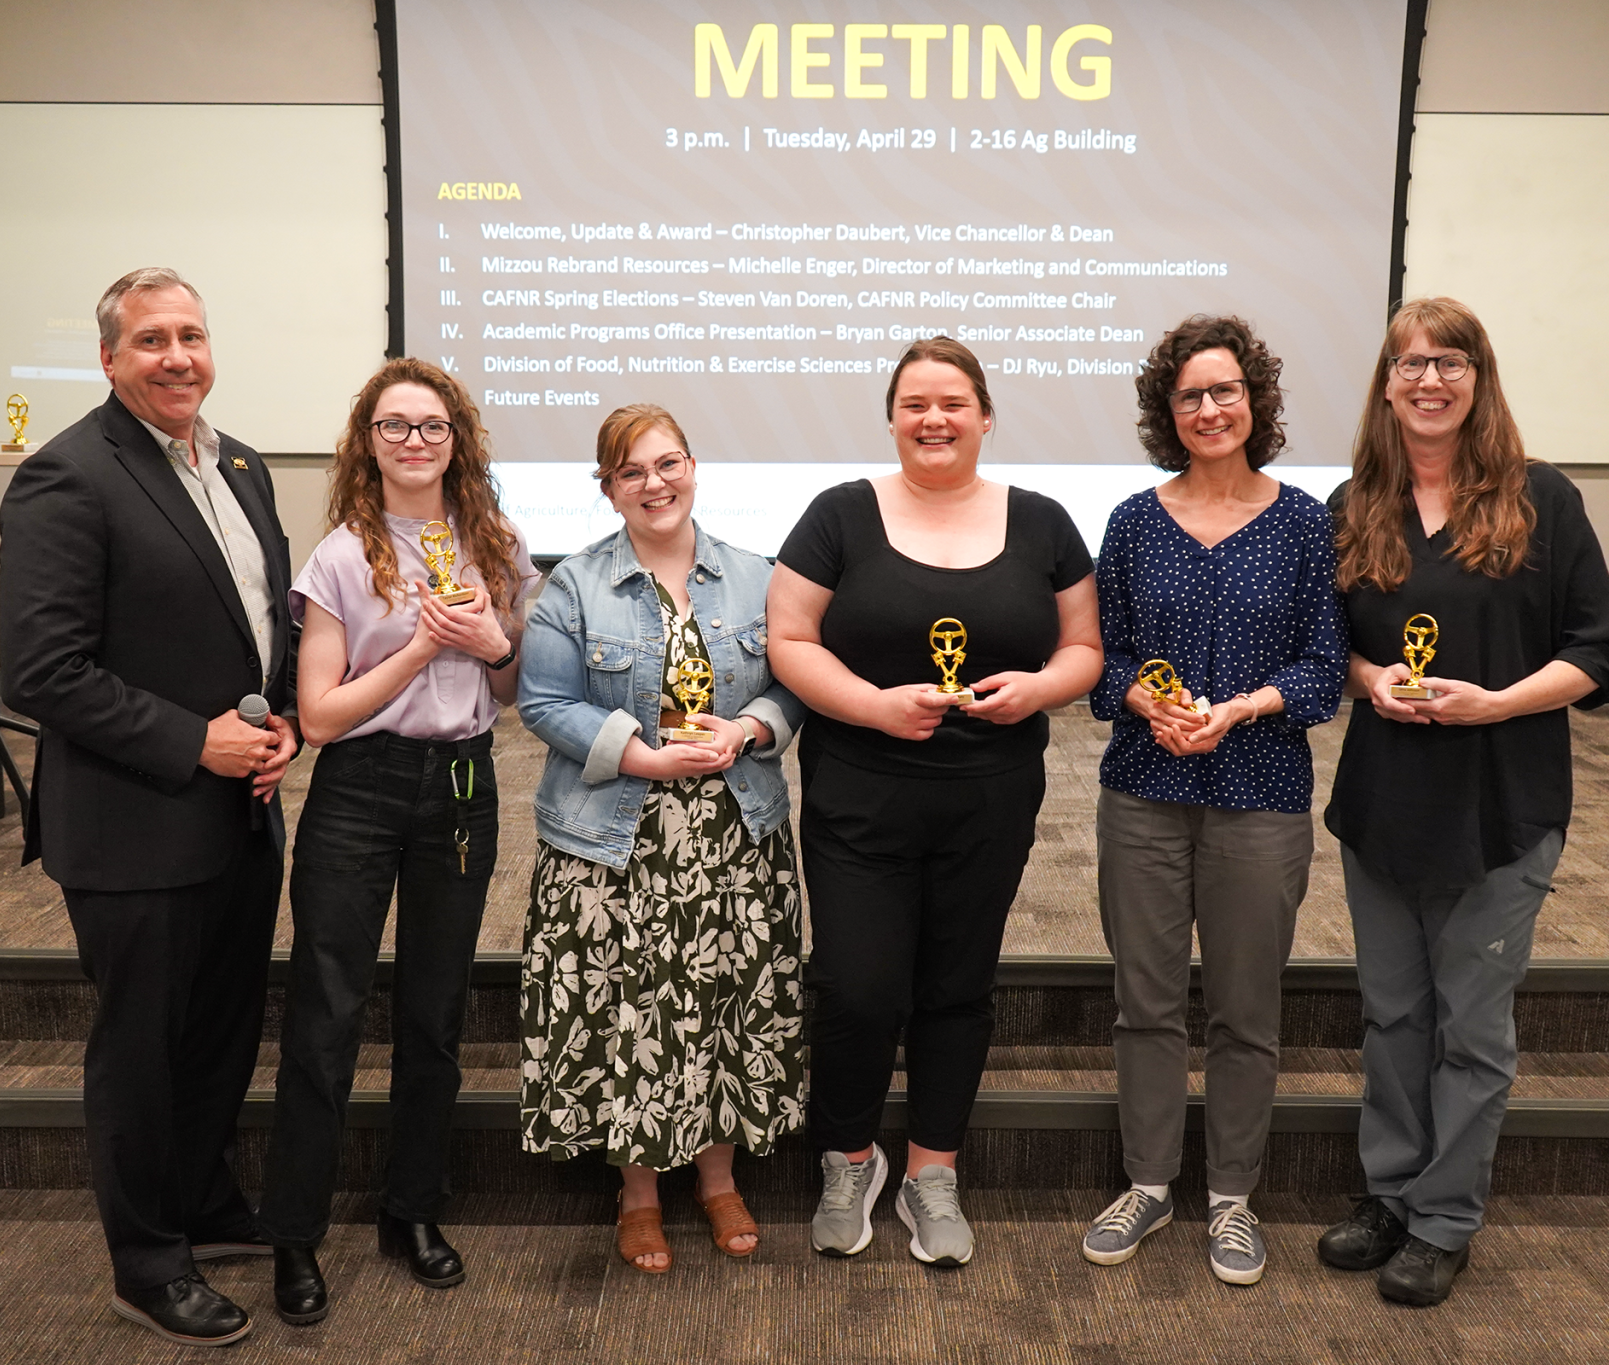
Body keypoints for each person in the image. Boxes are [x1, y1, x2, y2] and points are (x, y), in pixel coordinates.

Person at [0, 267, 299, 1347]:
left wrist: (286, 720)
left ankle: (202, 1202)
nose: (178, 356)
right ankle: (145, 1261)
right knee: (140, 1045)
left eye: (193, 335)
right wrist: (193, 741)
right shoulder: (67, 477)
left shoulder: (241, 463)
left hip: (237, 812)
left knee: (218, 1030)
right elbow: (37, 670)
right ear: (110, 358)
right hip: (132, 823)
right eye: (152, 340)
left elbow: (268, 618)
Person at [1315, 298, 1609, 1306]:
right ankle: (1391, 1196)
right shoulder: (1352, 502)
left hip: (1502, 805)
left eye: (1447, 362)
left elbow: (1597, 652)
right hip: (1383, 803)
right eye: (1408, 365)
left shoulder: (1542, 499)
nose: (1427, 381)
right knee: (1391, 1016)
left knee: (1471, 1030)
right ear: (1385, 384)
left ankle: (1444, 1219)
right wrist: (1371, 682)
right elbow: (1334, 653)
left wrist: (1494, 703)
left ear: (1476, 377)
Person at [767, 337, 1103, 1267]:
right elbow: (789, 637)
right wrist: (874, 706)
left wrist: (1040, 689)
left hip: (990, 794)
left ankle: (931, 1171)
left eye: (953, 402)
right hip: (860, 792)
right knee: (856, 987)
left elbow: (1084, 646)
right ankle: (848, 1158)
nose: (934, 419)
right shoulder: (840, 514)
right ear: (892, 417)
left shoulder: (1041, 521)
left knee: (957, 987)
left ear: (986, 415)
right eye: (915, 403)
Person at [256, 358, 535, 1324]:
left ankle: (411, 1209)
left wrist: (492, 643)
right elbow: (322, 716)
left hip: (462, 783)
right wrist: (422, 644)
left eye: (431, 426)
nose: (413, 441)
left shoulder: (494, 543)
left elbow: (511, 692)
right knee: (326, 1015)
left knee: (434, 1015)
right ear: (366, 441)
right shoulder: (340, 554)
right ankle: (293, 1232)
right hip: (361, 790)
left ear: (456, 440)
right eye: (394, 426)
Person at [1081, 316, 1347, 1283]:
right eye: (1189, 394)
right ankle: (1149, 1183)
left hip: (1260, 793)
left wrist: (1242, 708)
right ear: (1168, 410)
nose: (1208, 408)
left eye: (1224, 390)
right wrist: (1141, 698)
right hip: (1143, 792)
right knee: (1144, 1002)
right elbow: (1099, 663)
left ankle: (1232, 1197)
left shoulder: (1308, 522)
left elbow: (1326, 669)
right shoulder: (1132, 521)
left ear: (1256, 401)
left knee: (1245, 1008)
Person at [516, 404, 806, 1275]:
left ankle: (719, 1180)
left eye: (668, 463)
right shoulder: (572, 584)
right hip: (615, 833)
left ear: (693, 467)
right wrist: (637, 756)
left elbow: (796, 686)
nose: (655, 484)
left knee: (722, 993)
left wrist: (747, 730)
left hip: (733, 828)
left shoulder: (758, 576)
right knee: (632, 1007)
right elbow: (543, 700)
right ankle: (637, 1190)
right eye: (632, 472)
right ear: (607, 489)